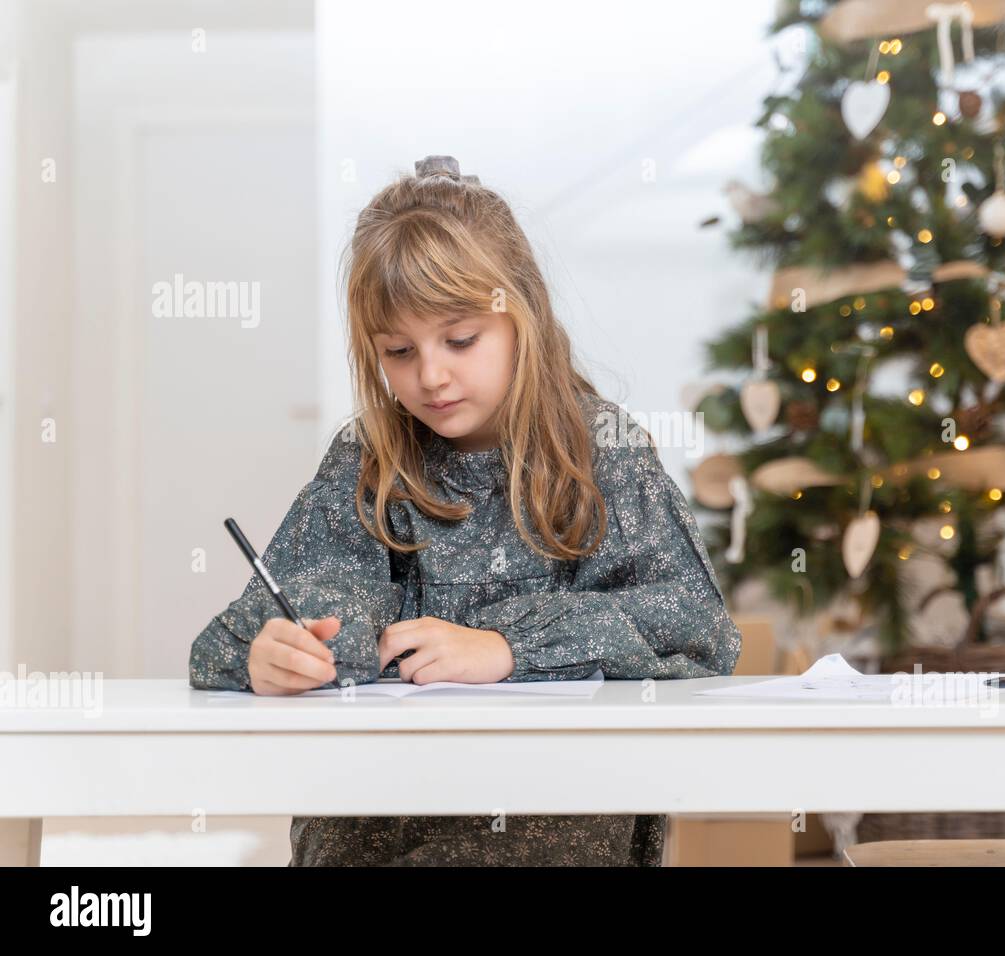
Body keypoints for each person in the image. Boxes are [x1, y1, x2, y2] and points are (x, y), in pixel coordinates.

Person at [188, 154, 742, 866]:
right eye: (398, 351)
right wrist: (267, 655)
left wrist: (511, 649)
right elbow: (237, 641)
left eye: (459, 340)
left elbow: (700, 631)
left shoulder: (602, 451)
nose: (431, 375)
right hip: (376, 817)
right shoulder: (366, 459)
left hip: (557, 819)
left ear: (523, 316)